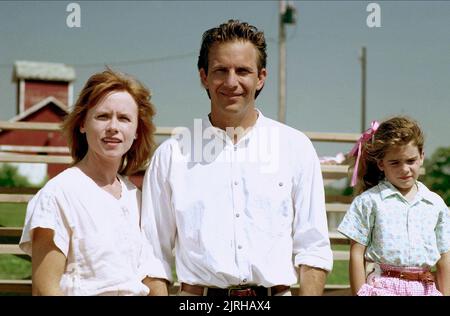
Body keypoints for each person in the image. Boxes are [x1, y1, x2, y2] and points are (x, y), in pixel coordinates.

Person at [142, 19, 333, 296]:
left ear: (261, 77)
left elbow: (312, 246)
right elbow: (152, 254)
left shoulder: (295, 148)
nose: (232, 82)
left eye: (243, 70)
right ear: (204, 76)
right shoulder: (171, 156)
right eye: (221, 70)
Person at [19, 69, 168, 296]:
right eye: (103, 116)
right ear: (82, 124)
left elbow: (151, 277)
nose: (113, 127)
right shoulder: (58, 194)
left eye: (124, 118)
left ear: (137, 131)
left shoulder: (135, 197)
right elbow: (44, 290)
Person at [338, 116, 450, 296]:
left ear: (421, 157)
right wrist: (360, 293)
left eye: (411, 161)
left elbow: (445, 257)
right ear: (381, 164)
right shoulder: (369, 201)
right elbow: (356, 253)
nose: (405, 169)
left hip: (425, 289)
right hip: (383, 288)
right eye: (395, 162)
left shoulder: (436, 204)